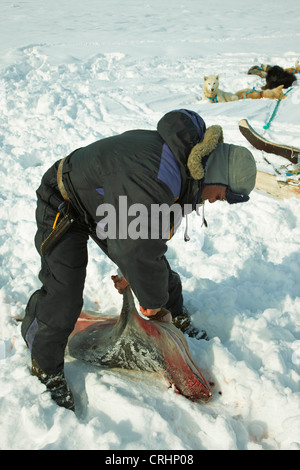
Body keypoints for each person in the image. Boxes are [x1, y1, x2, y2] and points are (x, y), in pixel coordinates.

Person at [21, 109, 257, 411]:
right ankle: (45, 367)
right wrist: (152, 303)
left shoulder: (187, 167)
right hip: (64, 199)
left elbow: (149, 243)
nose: (215, 201)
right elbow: (134, 247)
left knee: (150, 265)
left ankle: (176, 315)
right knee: (64, 293)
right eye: (222, 195)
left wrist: (140, 274)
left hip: (104, 201)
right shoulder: (163, 173)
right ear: (219, 175)